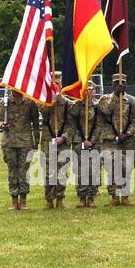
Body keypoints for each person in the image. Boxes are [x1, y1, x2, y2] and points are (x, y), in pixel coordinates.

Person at [95, 72, 135, 205]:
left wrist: (127, 133)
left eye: (122, 83)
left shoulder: (133, 101)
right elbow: (106, 111)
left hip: (127, 140)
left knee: (127, 167)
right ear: (113, 84)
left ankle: (125, 197)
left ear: (126, 84)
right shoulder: (105, 99)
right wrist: (116, 96)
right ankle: (114, 197)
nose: (119, 85)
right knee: (111, 167)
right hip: (110, 139)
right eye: (116, 83)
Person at [38, 72, 77, 209]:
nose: (56, 86)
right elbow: (43, 112)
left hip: (63, 143)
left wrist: (64, 137)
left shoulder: (67, 104)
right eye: (52, 84)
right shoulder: (43, 101)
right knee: (48, 171)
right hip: (48, 141)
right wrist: (51, 101)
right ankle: (49, 200)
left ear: (61, 85)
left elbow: (72, 125)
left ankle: (60, 199)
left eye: (58, 84)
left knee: (61, 171)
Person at [0, 88, 40, 210]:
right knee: (12, 172)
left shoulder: (30, 102)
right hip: (9, 141)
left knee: (24, 172)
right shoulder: (4, 102)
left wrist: (36, 141)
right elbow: (0, 120)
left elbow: (35, 122)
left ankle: (23, 200)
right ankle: (14, 200)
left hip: (25, 142)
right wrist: (2, 125)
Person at [70, 89, 101, 208]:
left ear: (94, 92)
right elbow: (72, 117)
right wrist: (80, 100)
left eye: (90, 90)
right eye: (85, 90)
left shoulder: (98, 106)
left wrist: (91, 140)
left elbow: (100, 125)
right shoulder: (76, 105)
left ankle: (92, 197)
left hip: (94, 142)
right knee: (80, 169)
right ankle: (82, 197)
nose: (88, 92)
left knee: (94, 169)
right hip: (79, 140)